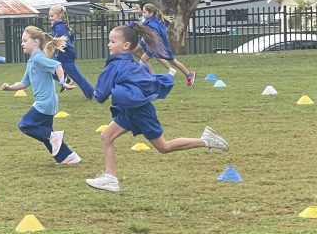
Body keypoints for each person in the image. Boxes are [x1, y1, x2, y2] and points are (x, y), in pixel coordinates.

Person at [85, 23, 227, 192]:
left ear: (126, 46)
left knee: (164, 147)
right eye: (109, 41)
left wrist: (94, 92)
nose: (109, 44)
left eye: (113, 41)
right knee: (106, 136)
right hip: (129, 109)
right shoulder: (130, 63)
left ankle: (206, 140)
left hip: (140, 111)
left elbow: (101, 95)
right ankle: (111, 178)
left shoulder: (116, 65)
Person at [0, 26, 81, 165]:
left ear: (35, 42)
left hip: (45, 102)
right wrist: (10, 88)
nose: (22, 43)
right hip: (47, 102)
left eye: (25, 40)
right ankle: (68, 157)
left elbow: (57, 65)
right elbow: (24, 83)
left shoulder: (38, 58)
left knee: (25, 124)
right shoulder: (32, 61)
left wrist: (62, 82)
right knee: (46, 133)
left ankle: (53, 137)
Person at [137, 3, 196, 86]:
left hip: (161, 46)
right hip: (155, 46)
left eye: (144, 12)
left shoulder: (152, 23)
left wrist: (137, 28)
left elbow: (154, 32)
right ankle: (153, 78)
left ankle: (189, 74)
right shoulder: (154, 20)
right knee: (144, 59)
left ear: (151, 13)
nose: (143, 14)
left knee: (173, 61)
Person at [48, 5, 94, 99]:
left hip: (65, 56)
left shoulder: (59, 28)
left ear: (59, 16)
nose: (50, 18)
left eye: (52, 16)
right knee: (48, 68)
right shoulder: (63, 26)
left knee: (77, 77)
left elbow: (62, 41)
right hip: (62, 55)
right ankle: (65, 79)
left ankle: (92, 94)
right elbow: (71, 37)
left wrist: (54, 45)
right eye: (49, 16)